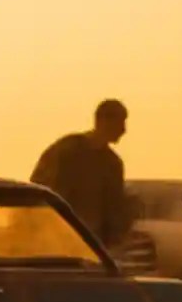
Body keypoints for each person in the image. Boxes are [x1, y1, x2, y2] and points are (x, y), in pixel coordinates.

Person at [30, 99, 132, 247]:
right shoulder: (67, 150)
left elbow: (114, 210)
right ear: (102, 120)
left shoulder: (113, 163)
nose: (123, 130)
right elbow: (42, 190)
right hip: (59, 238)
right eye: (120, 122)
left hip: (91, 244)